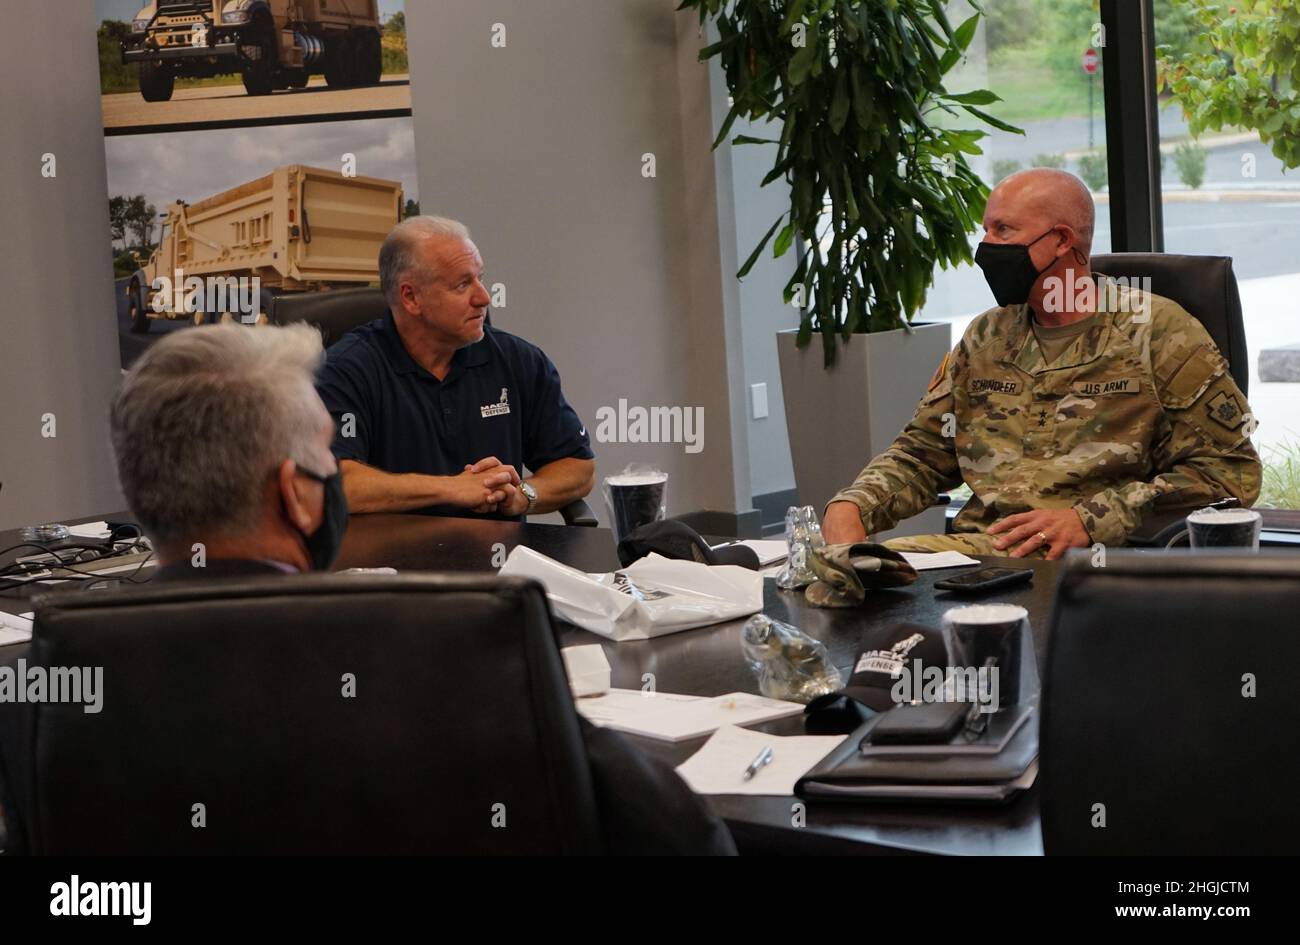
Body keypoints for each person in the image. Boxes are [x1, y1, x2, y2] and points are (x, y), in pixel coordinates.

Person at [0, 325, 733, 856]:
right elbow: (689, 836)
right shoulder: (458, 649)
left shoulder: (45, 688)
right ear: (298, 495)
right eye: (327, 450)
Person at [822, 168, 1261, 559]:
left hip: (1095, 562)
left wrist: (1091, 519)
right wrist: (854, 505)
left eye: (1004, 231)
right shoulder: (986, 336)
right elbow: (922, 455)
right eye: (986, 231)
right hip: (980, 553)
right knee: (847, 579)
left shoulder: (1159, 332)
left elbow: (1229, 474)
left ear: (1062, 241)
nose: (985, 248)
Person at [316, 216, 595, 520]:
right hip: (392, 563)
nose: (484, 298)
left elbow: (578, 466)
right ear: (410, 297)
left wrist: (524, 496)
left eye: (480, 278)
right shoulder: (346, 370)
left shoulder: (518, 360)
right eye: (463, 284)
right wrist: (453, 489)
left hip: (500, 561)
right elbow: (331, 484)